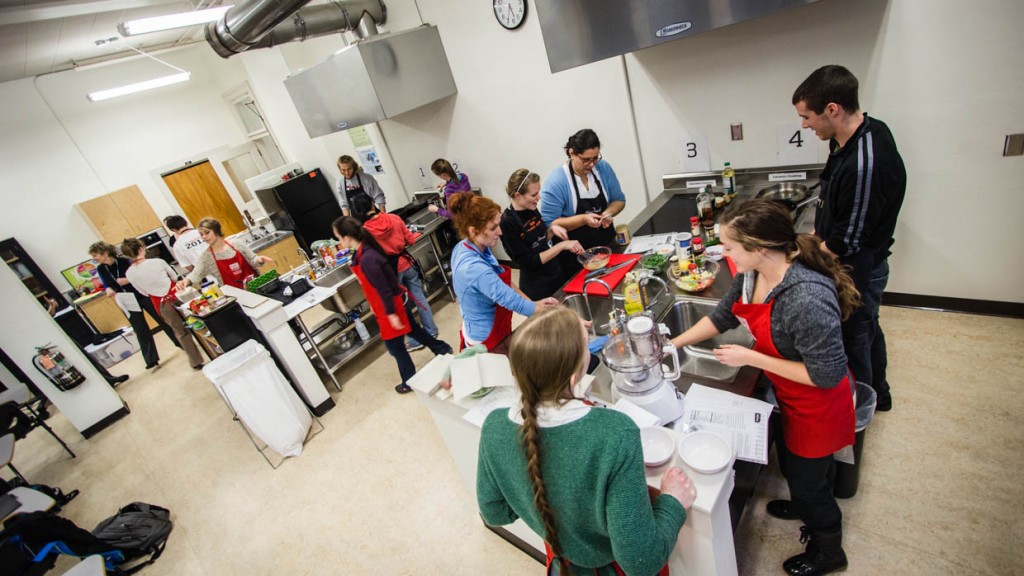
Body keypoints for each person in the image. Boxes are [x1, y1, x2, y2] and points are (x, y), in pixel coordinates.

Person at [671, 200, 858, 576]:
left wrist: (752, 358)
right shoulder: (751, 275)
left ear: (757, 248)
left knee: (809, 483)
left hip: (817, 404)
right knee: (793, 464)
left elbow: (827, 374)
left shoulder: (805, 297)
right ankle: (803, 500)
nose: (723, 254)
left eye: (729, 247)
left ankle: (828, 549)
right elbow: (722, 317)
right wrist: (670, 346)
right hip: (788, 395)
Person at [477, 306, 696, 574]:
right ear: (574, 377)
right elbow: (642, 561)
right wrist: (672, 501)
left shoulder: (494, 425)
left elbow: (495, 513)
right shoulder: (615, 434)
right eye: (586, 347)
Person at [792, 64, 906, 412]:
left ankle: (861, 407)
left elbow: (847, 241)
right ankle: (878, 394)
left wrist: (800, 260)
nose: (804, 125)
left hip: (859, 268)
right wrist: (815, 233)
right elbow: (835, 203)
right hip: (854, 260)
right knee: (867, 327)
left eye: (807, 116)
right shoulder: (851, 137)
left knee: (856, 335)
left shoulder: (864, 162)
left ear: (832, 110)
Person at [332, 217, 452, 394]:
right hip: (388, 305)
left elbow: (384, 289)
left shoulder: (368, 258)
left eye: (339, 238)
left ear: (348, 237)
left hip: (390, 307)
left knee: (396, 348)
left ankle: (409, 381)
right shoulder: (362, 252)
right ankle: (441, 348)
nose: (339, 242)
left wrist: (392, 315)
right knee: (413, 330)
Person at [449, 193, 559, 352]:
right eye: (493, 228)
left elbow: (502, 283)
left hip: (496, 327)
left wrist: (533, 304)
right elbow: (510, 300)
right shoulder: (473, 268)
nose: (500, 232)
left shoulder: (469, 246)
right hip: (486, 340)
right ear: (473, 231)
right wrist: (557, 319)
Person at [354, 196, 440, 352]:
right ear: (373, 203)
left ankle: (415, 341)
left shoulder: (365, 231)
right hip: (407, 263)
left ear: (358, 212)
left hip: (391, 272)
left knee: (403, 307)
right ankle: (431, 331)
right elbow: (410, 241)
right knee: (419, 297)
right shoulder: (393, 218)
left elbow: (368, 256)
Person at [89, 241, 179, 370]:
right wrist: (108, 288)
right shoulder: (101, 269)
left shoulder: (125, 261)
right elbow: (106, 283)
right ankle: (151, 360)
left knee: (162, 319)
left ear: (105, 253)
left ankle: (179, 342)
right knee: (140, 329)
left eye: (95, 255)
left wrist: (127, 280)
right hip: (125, 299)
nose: (94, 258)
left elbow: (138, 274)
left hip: (141, 294)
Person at [121, 238, 205, 371]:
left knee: (181, 332)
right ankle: (215, 348)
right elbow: (174, 277)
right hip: (179, 294)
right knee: (202, 319)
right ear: (142, 248)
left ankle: (196, 362)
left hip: (160, 303)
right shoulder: (157, 262)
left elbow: (143, 292)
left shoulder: (129, 273)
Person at [499, 169, 583, 299]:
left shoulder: (531, 208)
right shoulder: (507, 223)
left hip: (555, 273)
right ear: (517, 195)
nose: (539, 198)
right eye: (534, 195)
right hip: (538, 286)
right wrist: (562, 246)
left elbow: (539, 241)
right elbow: (529, 262)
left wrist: (551, 229)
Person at [540, 128, 626, 253]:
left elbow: (619, 200)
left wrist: (606, 214)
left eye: (595, 158)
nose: (591, 164)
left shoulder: (603, 168)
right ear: (572, 153)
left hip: (607, 245)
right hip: (575, 253)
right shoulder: (557, 182)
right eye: (586, 159)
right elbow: (550, 223)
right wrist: (583, 219)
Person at [176, 218, 271, 291]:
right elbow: (195, 275)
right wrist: (185, 281)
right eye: (201, 235)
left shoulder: (236, 243)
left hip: (258, 286)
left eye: (207, 233)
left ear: (216, 231)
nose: (204, 237)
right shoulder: (206, 257)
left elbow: (252, 260)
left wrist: (259, 260)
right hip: (237, 295)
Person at [334, 155, 387, 222]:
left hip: (373, 217)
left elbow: (379, 198)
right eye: (343, 170)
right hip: (357, 221)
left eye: (349, 169)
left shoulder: (367, 178)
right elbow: (344, 205)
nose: (346, 173)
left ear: (353, 166)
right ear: (339, 168)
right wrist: (347, 224)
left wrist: (384, 217)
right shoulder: (340, 183)